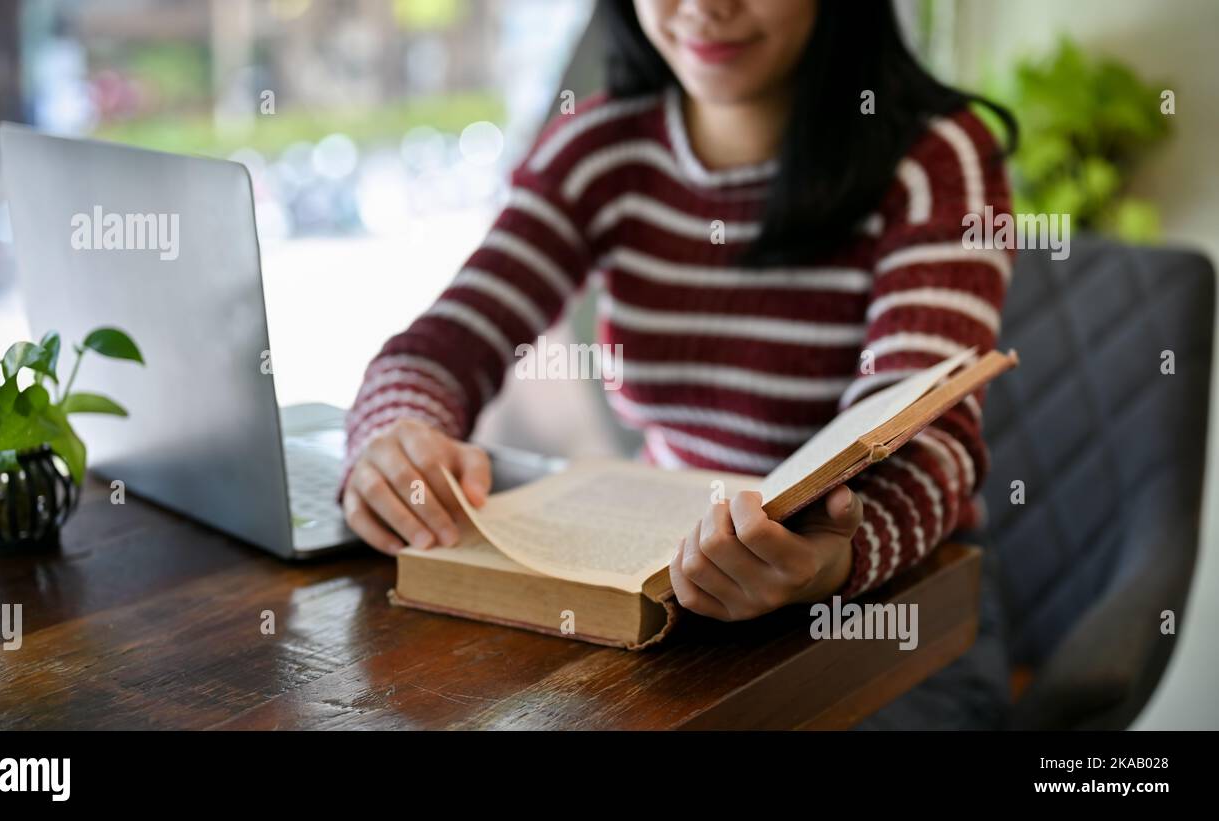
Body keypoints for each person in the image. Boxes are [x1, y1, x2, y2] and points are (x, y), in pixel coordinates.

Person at [340, 0, 1017, 728]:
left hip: (889, 616)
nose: (704, 9)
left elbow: (928, 434)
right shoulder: (602, 148)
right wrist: (396, 431)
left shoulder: (935, 157)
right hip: (678, 594)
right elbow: (442, 347)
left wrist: (827, 563)